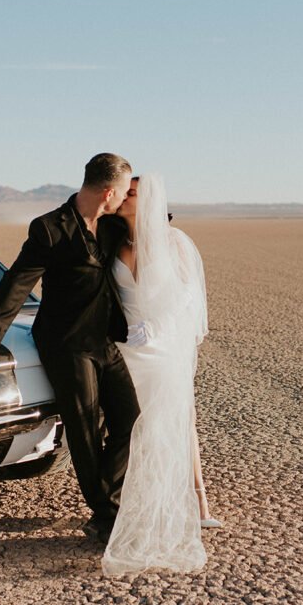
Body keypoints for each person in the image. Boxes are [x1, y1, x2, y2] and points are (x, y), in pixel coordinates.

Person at [0, 152, 139, 545]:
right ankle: (108, 515)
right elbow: (16, 284)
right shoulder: (49, 229)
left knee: (131, 420)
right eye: (123, 193)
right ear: (108, 191)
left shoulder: (112, 225)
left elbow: (144, 229)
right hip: (66, 343)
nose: (124, 199)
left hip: (103, 341)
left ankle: (106, 504)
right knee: (83, 430)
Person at [101, 174, 221, 577]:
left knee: (167, 426)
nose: (121, 198)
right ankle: (127, 508)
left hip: (164, 346)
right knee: (129, 428)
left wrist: (154, 327)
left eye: (130, 194)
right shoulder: (115, 242)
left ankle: (176, 510)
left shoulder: (175, 242)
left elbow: (188, 295)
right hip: (126, 349)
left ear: (148, 199)